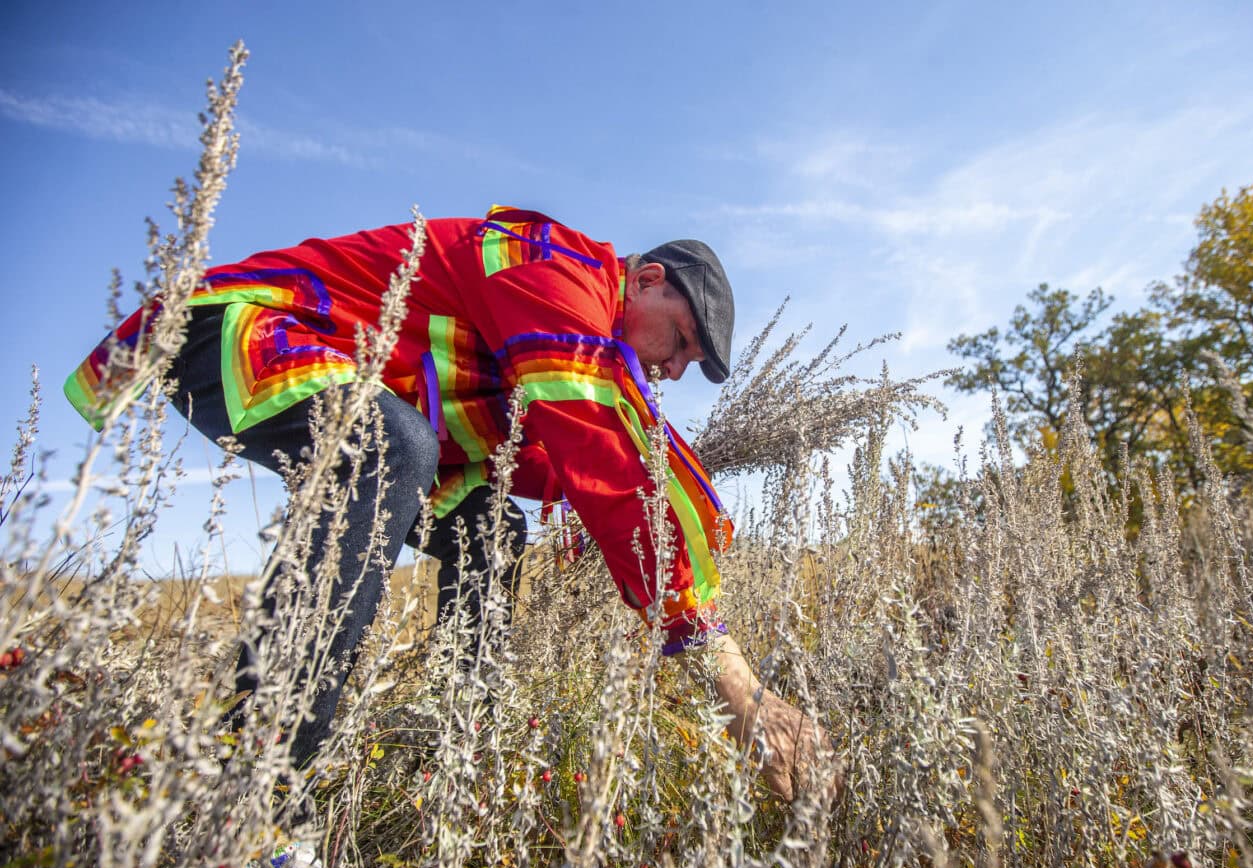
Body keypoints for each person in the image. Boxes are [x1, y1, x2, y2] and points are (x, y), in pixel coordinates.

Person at [65, 204, 833, 804]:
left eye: (688, 362)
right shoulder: (553, 265)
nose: (672, 367)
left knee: (492, 527)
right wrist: (736, 683)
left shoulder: (574, 335)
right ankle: (256, 795)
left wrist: (619, 526)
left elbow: (560, 469)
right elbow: (597, 451)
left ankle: (458, 757)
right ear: (647, 277)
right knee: (392, 446)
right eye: (683, 339)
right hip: (241, 325)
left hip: (362, 387)